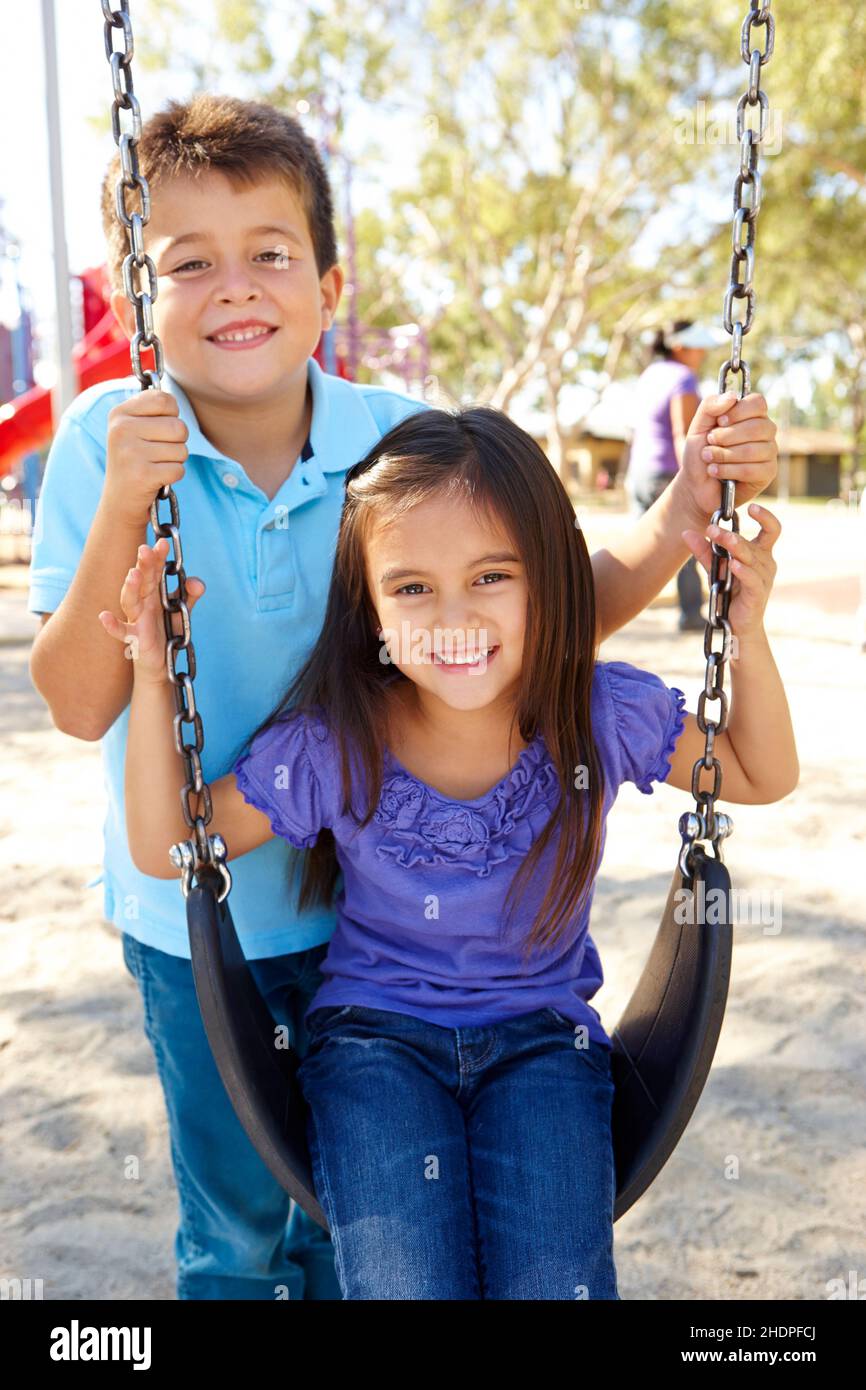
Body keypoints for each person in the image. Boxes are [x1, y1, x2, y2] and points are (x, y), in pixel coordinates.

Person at [27, 94, 778, 1302]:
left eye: (270, 253)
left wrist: (672, 525)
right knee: (237, 1231)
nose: (235, 287)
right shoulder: (105, 441)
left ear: (328, 283)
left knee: (353, 1222)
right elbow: (73, 701)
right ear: (135, 301)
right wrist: (125, 500)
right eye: (189, 263)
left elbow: (528, 606)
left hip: (366, 919)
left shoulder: (397, 437)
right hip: (198, 919)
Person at [101, 403, 799, 1301]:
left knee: (557, 1285)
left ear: (549, 579)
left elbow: (756, 769)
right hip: (374, 1049)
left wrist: (747, 626)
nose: (452, 616)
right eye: (412, 588)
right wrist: (156, 675)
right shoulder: (340, 741)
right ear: (372, 608)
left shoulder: (594, 713)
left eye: (492, 575)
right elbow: (172, 846)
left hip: (543, 1047)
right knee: (403, 1286)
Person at [625, 319, 721, 631]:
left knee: (636, 545)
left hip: (640, 471)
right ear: (679, 347)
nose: (702, 355)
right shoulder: (683, 378)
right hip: (666, 472)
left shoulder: (649, 375)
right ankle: (691, 613)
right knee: (686, 545)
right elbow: (685, 434)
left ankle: (618, 610)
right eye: (697, 348)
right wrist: (694, 478)